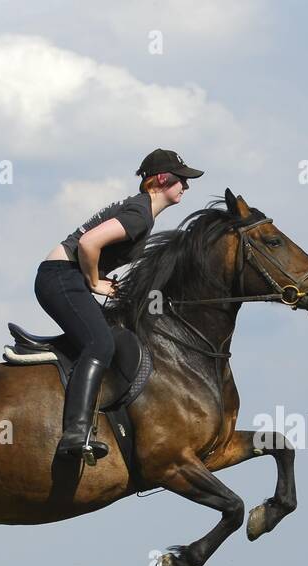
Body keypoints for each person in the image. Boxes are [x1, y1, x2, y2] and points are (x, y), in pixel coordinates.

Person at [36, 148, 204, 462]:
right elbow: (89, 243)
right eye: (181, 180)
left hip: (64, 276)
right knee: (100, 344)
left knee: (114, 337)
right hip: (59, 277)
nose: (186, 186)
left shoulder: (142, 213)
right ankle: (75, 432)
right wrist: (95, 282)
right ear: (161, 180)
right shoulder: (140, 214)